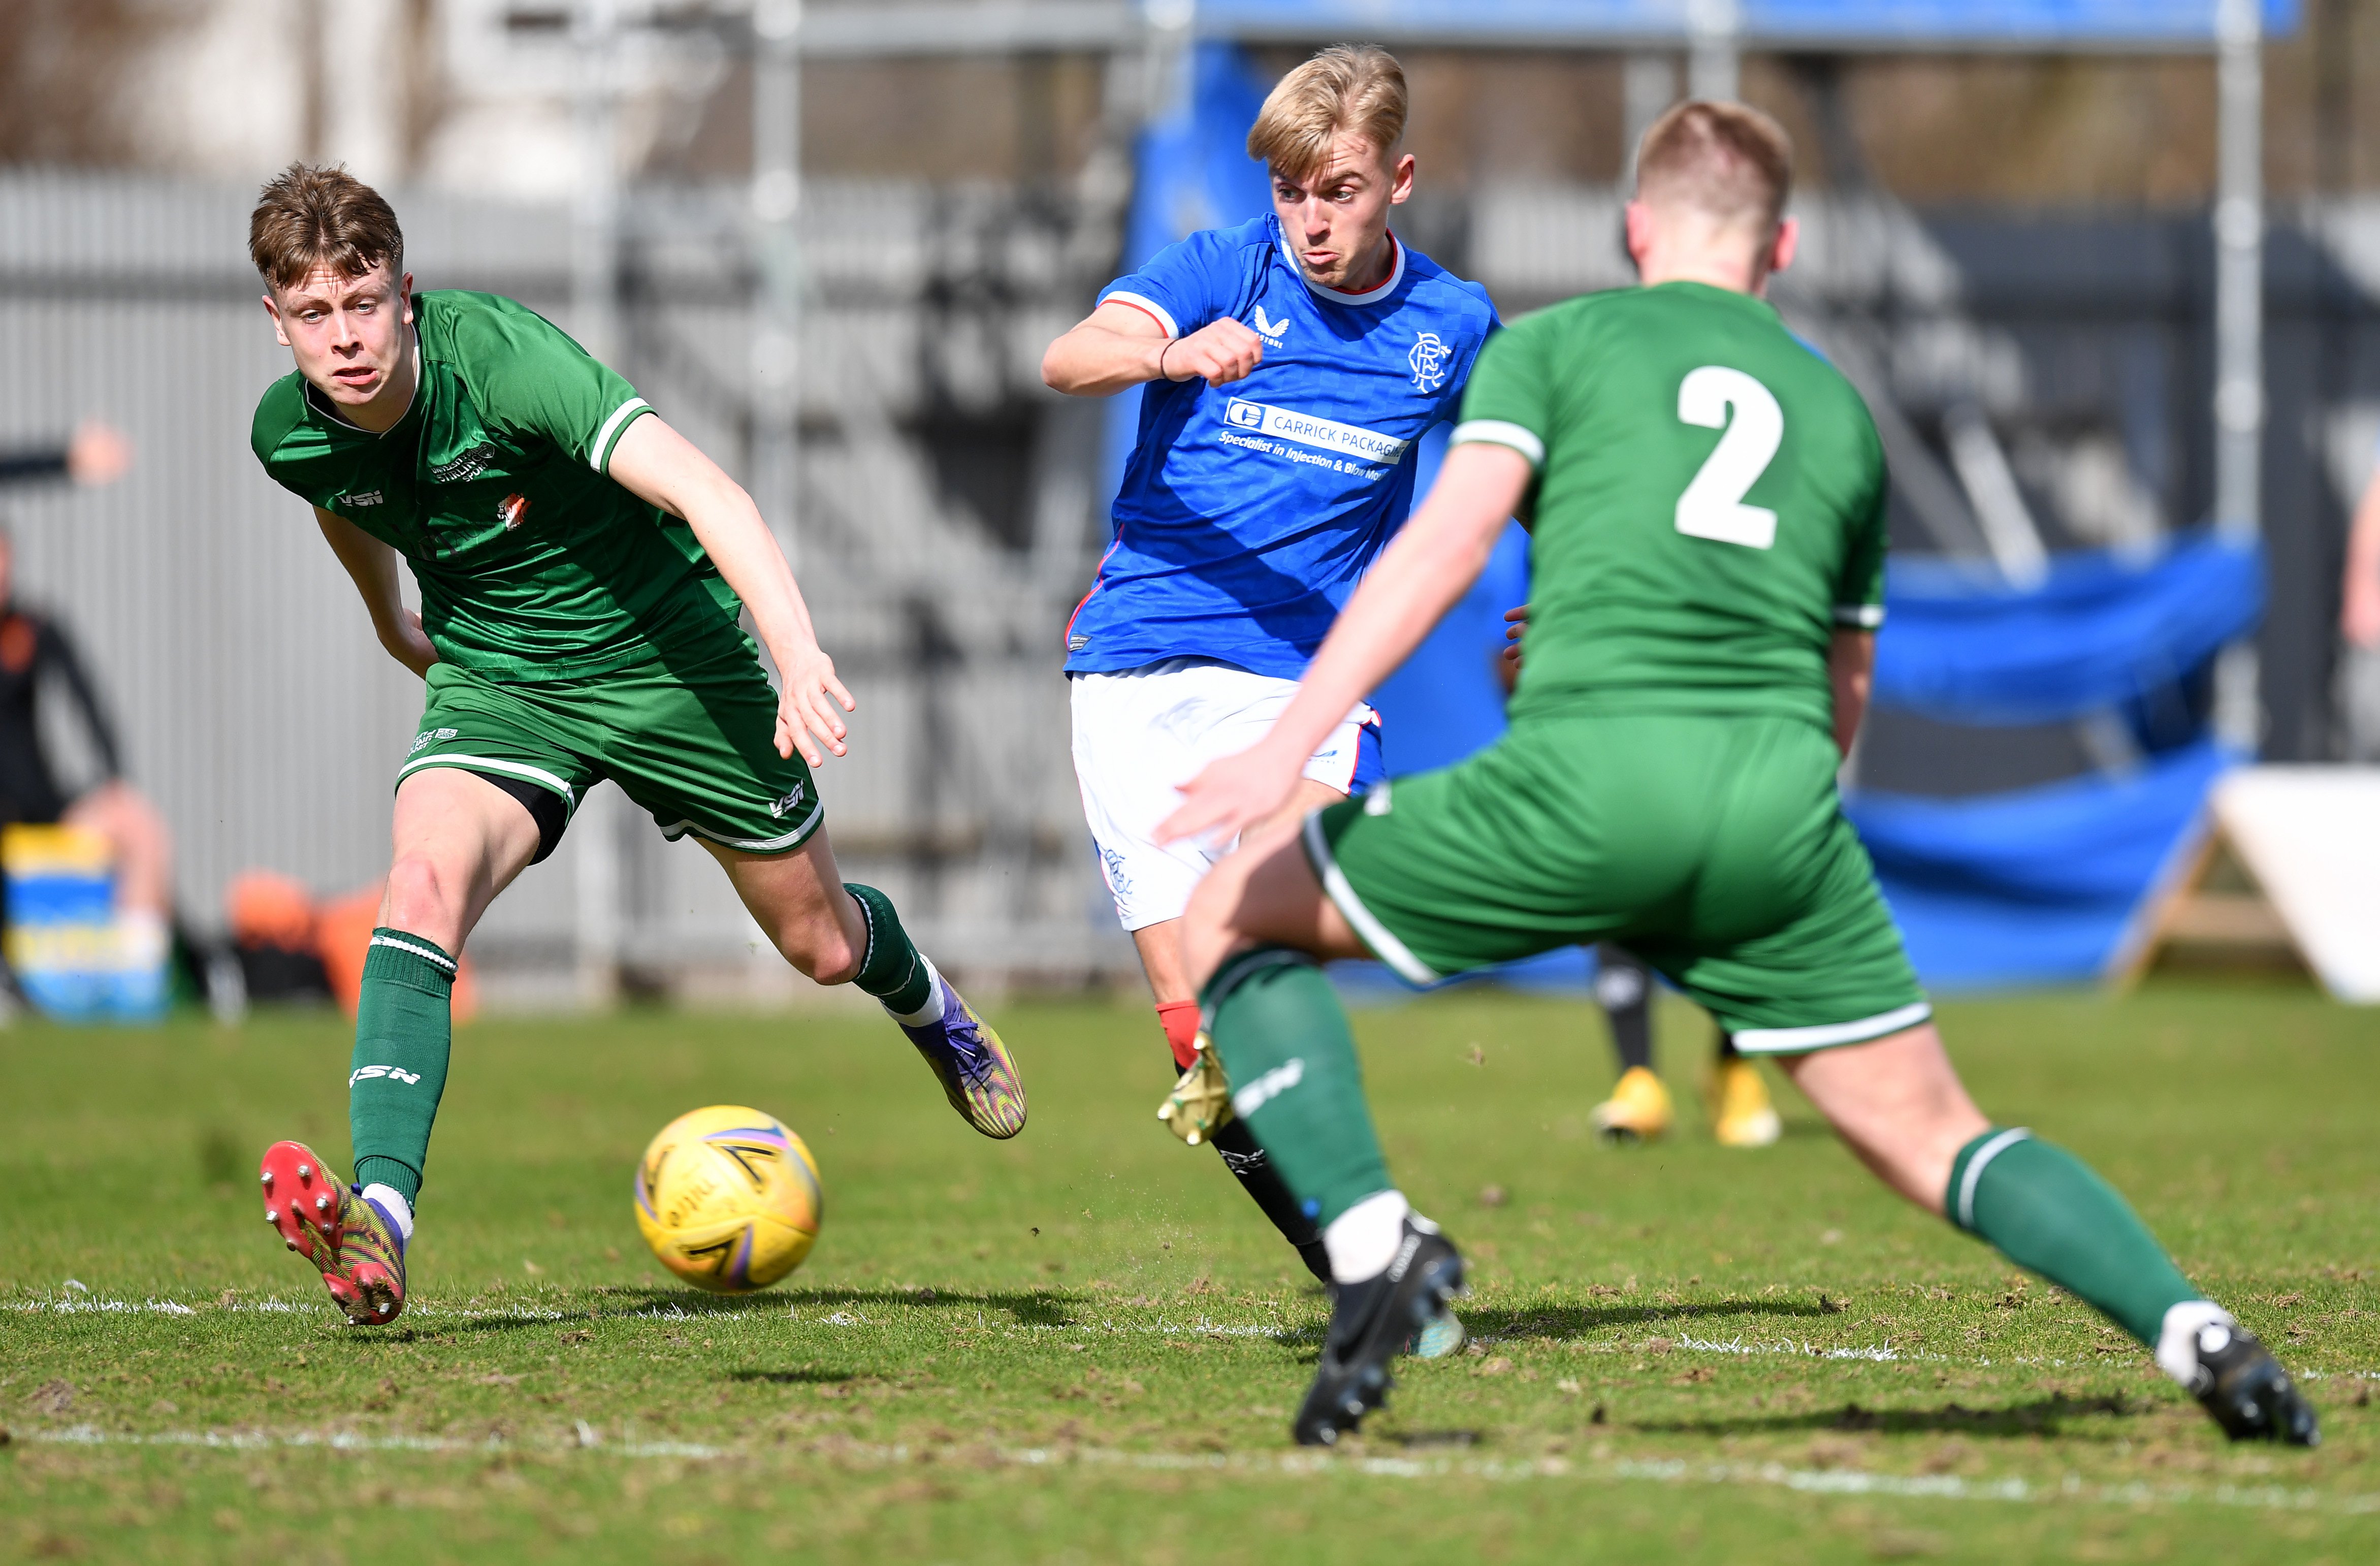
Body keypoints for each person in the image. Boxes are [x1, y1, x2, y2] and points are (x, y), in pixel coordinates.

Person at [1156, 101, 2319, 1451]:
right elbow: (1843, 689)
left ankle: (1370, 1246)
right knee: (1936, 1133)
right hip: (1778, 812)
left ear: (1635, 227)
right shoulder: (1835, 411)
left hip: (1590, 782)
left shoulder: (1557, 344)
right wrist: (1764, 850)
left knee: (1228, 907)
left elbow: (1448, 547)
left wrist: (1282, 741)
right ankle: (2202, 1337)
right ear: (1781, 245)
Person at [243, 165, 1025, 1327]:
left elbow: (709, 491)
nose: (345, 337)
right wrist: (388, 621)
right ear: (278, 318)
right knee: (418, 886)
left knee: (817, 944)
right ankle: (383, 1223)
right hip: (502, 680)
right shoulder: (288, 434)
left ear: (405, 293)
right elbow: (340, 496)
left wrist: (796, 650)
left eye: (363, 304)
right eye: (315, 313)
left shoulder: (504, 362)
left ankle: (922, 999)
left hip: (672, 657)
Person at [1040, 47, 1496, 1334]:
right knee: (1199, 1049)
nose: (1310, 216)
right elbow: (1068, 357)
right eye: (1294, 188)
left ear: (1397, 180)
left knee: (1255, 926)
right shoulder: (1221, 266)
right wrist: (1168, 358)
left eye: (1339, 189)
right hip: (1132, 668)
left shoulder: (1450, 327)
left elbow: (1528, 458)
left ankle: (1378, 1260)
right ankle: (1366, 1262)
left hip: (1299, 683)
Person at [0, 523, 176, 987]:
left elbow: (87, 699)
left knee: (137, 820)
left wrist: (112, 774)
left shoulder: (33, 628)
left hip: (45, 812)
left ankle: (138, 975)